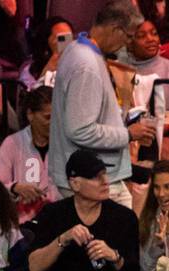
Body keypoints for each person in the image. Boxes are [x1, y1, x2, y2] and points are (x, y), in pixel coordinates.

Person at [50, 1, 156, 210]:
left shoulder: (77, 50)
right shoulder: (86, 64)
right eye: (129, 36)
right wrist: (128, 134)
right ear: (116, 29)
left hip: (92, 177)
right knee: (121, 238)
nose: (127, 43)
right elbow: (80, 130)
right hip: (92, 180)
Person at [28, 149, 141, 271]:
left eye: (105, 174)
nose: (105, 182)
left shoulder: (124, 217)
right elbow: (34, 267)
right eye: (96, 177)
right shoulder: (53, 214)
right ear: (75, 183)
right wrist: (63, 239)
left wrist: (114, 256)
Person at [0, 87, 59, 224]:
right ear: (30, 115)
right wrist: (15, 188)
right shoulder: (12, 143)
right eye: (48, 117)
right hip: (22, 225)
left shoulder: (65, 145)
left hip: (59, 223)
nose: (54, 122)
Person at [19, 16, 73, 89]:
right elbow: (32, 98)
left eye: (68, 37)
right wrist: (48, 71)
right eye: (61, 38)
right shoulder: (29, 72)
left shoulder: (78, 67)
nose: (66, 43)